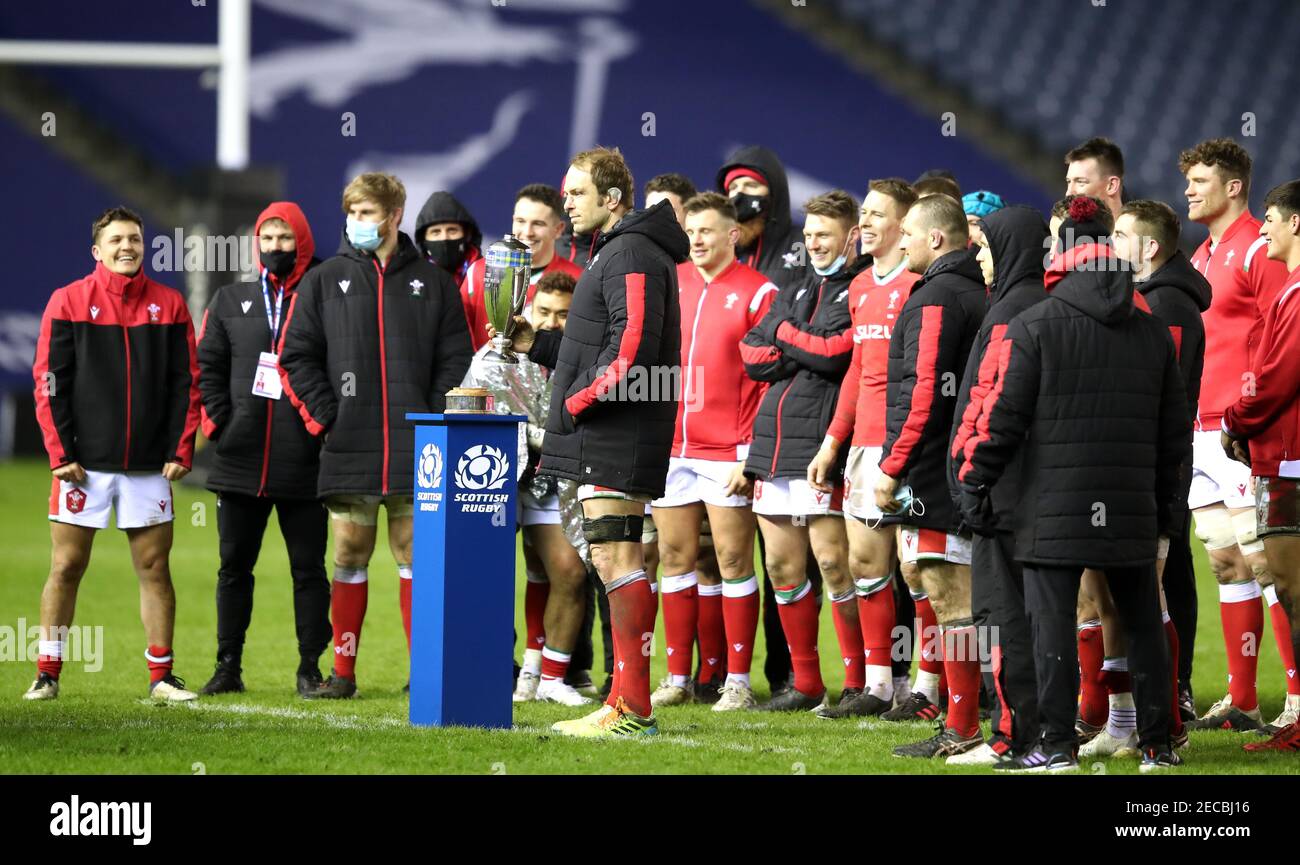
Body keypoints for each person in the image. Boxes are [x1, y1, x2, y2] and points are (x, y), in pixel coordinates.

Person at [958, 194, 1190, 772]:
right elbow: (1173, 436)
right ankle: (1158, 747)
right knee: (1141, 625)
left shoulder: (1033, 325)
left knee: (1050, 627)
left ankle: (1056, 746)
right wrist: (1166, 513)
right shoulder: (1153, 332)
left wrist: (973, 481)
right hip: (1131, 505)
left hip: (1053, 507)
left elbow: (999, 419)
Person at [508, 146, 688, 736]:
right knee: (618, 559)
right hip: (610, 428)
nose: (568, 202)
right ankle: (628, 702)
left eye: (578, 193)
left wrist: (576, 404)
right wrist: (535, 344)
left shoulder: (632, 252)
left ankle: (630, 707)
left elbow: (631, 350)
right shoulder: (617, 251)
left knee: (618, 558)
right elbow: (595, 351)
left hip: (616, 431)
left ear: (612, 199)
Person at [278, 172, 472, 698]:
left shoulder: (433, 283)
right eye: (352, 213)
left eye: (367, 213)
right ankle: (342, 675)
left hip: (418, 448)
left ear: (394, 215)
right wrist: (327, 415)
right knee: (349, 551)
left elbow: (456, 358)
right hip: (349, 444)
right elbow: (295, 357)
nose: (357, 222)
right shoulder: (325, 280)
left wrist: (433, 419)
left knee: (414, 554)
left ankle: (425, 672)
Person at [26, 206, 201, 702]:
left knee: (154, 568)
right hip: (81, 468)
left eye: (136, 240)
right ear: (97, 250)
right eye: (118, 240)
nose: (128, 247)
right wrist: (59, 454)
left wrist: (179, 448)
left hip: (148, 467)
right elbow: (49, 383)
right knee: (66, 567)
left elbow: (186, 385)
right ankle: (47, 673)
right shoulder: (68, 301)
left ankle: (162, 678)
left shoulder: (169, 305)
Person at [1078, 200, 1208, 758]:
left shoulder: (1169, 307)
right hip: (1133, 472)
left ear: (1149, 248)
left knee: (1147, 598)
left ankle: (1169, 715)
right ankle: (1124, 721)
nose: (1111, 245)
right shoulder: (1148, 301)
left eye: (1122, 236)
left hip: (1152, 474)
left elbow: (1165, 399)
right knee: (1112, 599)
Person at [1180, 138, 1296, 731]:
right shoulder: (1200, 256)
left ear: (1233, 186)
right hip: (1200, 429)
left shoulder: (1258, 247)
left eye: (1199, 181)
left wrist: (1250, 415)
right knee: (1227, 562)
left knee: (1268, 560)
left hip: (1240, 433)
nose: (1188, 191)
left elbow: (1285, 334)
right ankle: (1244, 699)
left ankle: (1297, 699)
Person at [196, 202, 331, 697]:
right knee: (233, 569)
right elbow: (207, 364)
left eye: (285, 238)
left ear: (303, 242)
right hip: (239, 460)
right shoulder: (231, 300)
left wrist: (323, 429)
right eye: (268, 239)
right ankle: (227, 666)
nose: (276, 248)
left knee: (309, 571)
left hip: (306, 462)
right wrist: (219, 424)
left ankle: (310, 668)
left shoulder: (323, 296)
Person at [649, 193, 777, 711]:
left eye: (707, 231)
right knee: (675, 558)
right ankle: (678, 678)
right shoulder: (669, 282)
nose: (696, 239)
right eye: (691, 231)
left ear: (733, 235)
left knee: (731, 559)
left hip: (729, 451)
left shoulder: (758, 292)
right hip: (672, 448)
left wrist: (752, 452)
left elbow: (769, 378)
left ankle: (739, 682)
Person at [741, 190, 866, 712]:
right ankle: (806, 683)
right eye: (809, 234)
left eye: (825, 235)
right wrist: (800, 344)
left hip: (821, 445)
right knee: (782, 569)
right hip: (771, 445)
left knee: (836, 566)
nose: (813, 243)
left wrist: (786, 336)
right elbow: (751, 352)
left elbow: (839, 356)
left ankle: (861, 682)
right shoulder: (792, 287)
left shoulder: (860, 288)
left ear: (851, 236)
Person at [875, 194, 986, 758]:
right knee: (951, 592)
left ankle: (963, 726)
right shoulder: (971, 291)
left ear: (936, 239)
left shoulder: (938, 297)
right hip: (957, 464)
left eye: (909, 235)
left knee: (950, 595)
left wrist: (893, 466)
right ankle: (960, 717)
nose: (902, 243)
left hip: (936, 471)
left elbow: (923, 393)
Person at [807, 178, 921, 719]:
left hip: (912, 445)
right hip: (864, 445)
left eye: (878, 214)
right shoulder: (859, 287)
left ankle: (929, 688)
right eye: (865, 214)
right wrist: (833, 443)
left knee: (923, 572)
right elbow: (857, 370)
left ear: (906, 225)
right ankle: (878, 686)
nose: (866, 223)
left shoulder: (920, 283)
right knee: (864, 563)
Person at [944, 205, 1049, 764]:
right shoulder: (1041, 304)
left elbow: (992, 407)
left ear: (1008, 249)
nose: (979, 258)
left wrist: (970, 479)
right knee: (1038, 617)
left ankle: (1011, 737)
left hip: (999, 493)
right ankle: (1042, 734)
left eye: (986, 248)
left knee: (999, 616)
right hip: (1033, 493)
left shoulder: (1010, 311)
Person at [469, 270, 592, 706]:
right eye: (544, 312)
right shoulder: (494, 356)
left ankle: (550, 676)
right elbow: (473, 414)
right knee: (488, 576)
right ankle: (484, 667)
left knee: (569, 571)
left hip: (552, 479)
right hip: (493, 480)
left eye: (563, 314)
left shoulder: (583, 359)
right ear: (526, 310)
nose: (553, 322)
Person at [1223, 179, 1300, 752]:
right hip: (1280, 455)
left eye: (1272, 217)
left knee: (1294, 588)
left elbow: (1276, 378)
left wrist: (1234, 419)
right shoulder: (1289, 290)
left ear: (1296, 223)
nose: (1265, 227)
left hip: (1291, 461)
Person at [461, 184, 583, 351]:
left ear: (559, 229)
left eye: (538, 224)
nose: (527, 232)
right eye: (520, 221)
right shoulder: (479, 271)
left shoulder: (578, 280)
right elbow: (458, 335)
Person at [716, 146, 806, 289]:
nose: (740, 193)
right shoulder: (719, 249)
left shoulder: (803, 243)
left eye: (751, 185)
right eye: (733, 187)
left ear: (774, 192)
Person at [413, 190, 483, 330]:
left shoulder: (486, 275)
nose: (444, 239)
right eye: (436, 232)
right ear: (424, 241)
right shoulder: (411, 280)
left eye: (452, 230)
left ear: (467, 235)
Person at [1064, 137, 1125, 219]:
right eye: (1068, 181)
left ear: (1111, 185)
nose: (1069, 193)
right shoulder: (1069, 230)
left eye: (1080, 182)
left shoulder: (1140, 230)